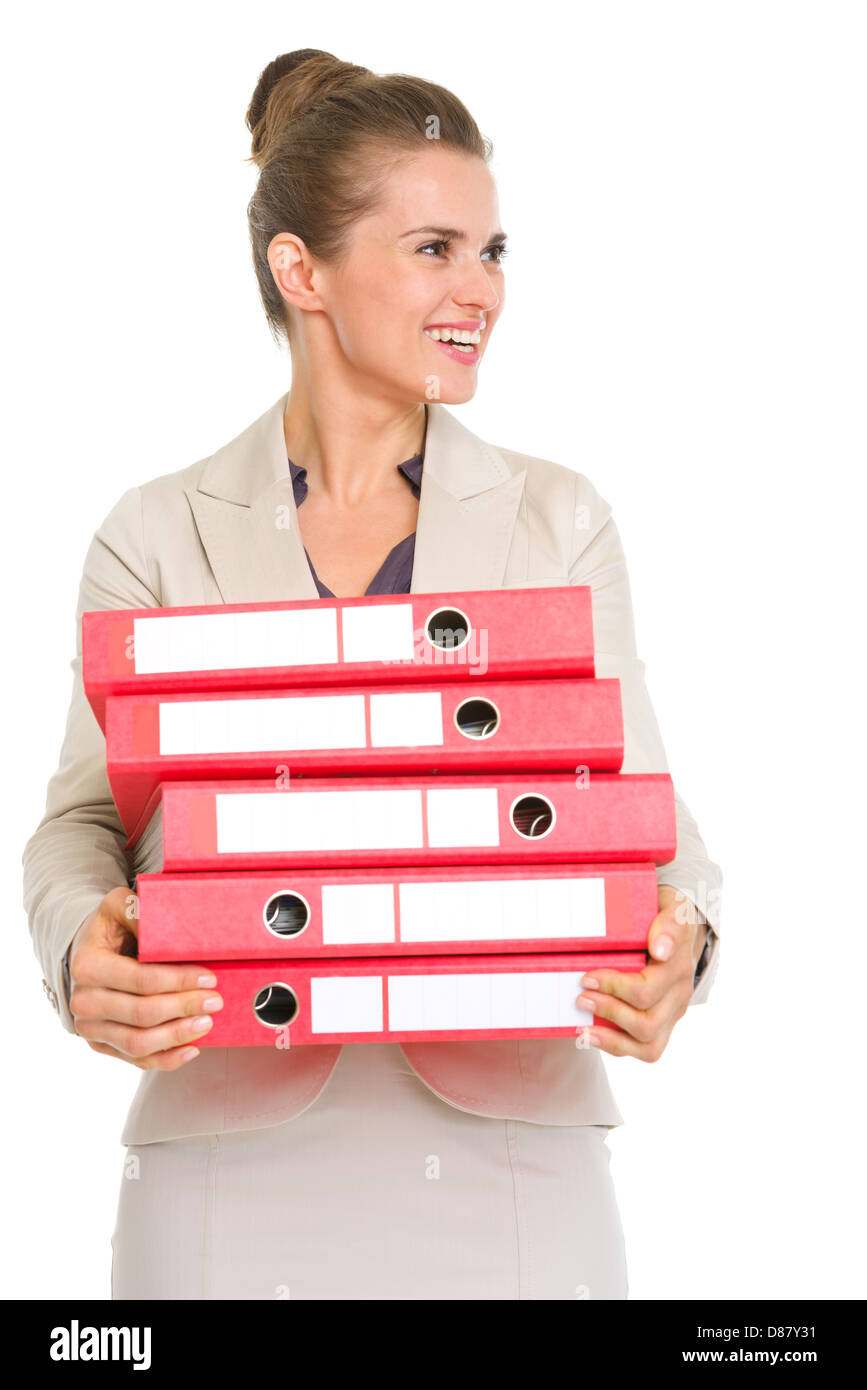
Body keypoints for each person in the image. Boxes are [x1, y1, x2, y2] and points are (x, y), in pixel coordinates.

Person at [22, 49, 722, 1300]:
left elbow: (650, 819)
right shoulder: (156, 530)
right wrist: (82, 942)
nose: (482, 290)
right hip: (228, 1147)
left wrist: (688, 942)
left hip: (515, 1160)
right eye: (436, 249)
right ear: (304, 271)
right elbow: (87, 818)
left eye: (494, 252)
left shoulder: (556, 518)